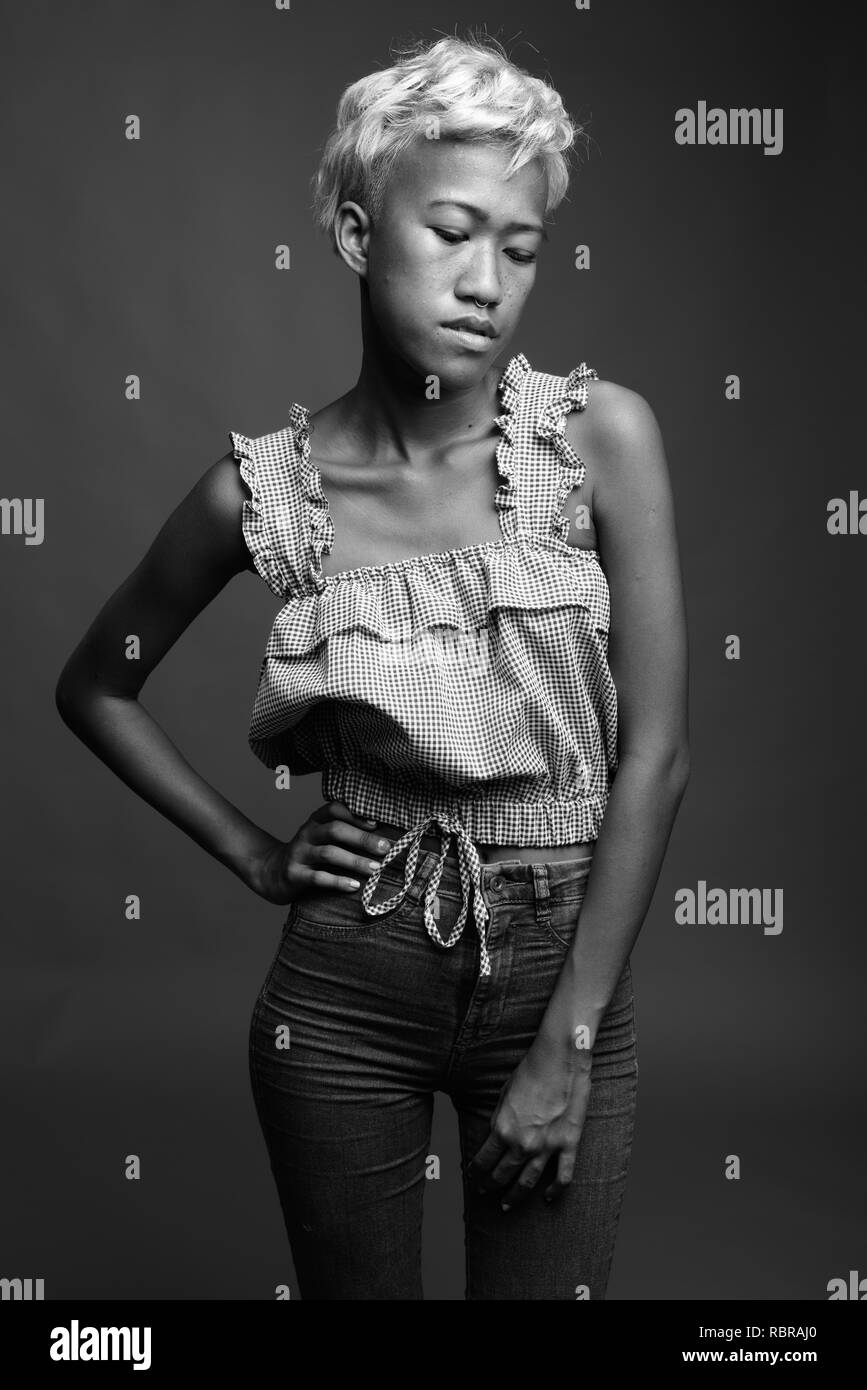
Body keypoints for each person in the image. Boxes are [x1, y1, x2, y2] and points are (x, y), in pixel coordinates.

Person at [55, 31, 690, 1300]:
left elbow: (657, 759)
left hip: (561, 971)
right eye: (451, 231)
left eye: (518, 248)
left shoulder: (598, 439)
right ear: (354, 233)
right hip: (345, 988)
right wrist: (253, 850)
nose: (487, 282)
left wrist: (568, 1044)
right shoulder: (262, 494)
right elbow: (96, 684)